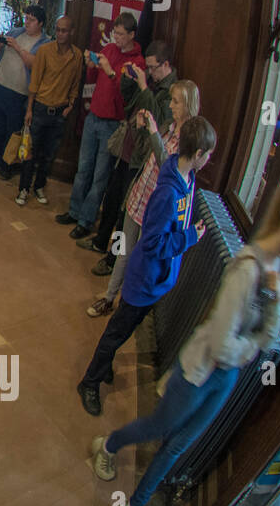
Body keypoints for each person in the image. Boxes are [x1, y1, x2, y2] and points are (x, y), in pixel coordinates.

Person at [91, 183, 280, 506]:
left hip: (224, 379)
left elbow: (272, 334)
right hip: (198, 371)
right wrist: (250, 346)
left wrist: (269, 307)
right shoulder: (246, 268)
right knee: (156, 427)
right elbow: (222, 343)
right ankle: (109, 445)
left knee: (179, 446)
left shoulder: (277, 272)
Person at [76, 115, 216, 416]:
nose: (209, 159)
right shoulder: (168, 192)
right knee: (117, 330)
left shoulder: (185, 178)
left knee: (124, 330)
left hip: (157, 278)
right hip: (145, 278)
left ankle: (105, 362)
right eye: (209, 154)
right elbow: (153, 244)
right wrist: (190, 236)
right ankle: (89, 381)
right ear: (199, 154)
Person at [87, 80, 201, 318]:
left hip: (154, 209)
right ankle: (108, 297)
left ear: (189, 104)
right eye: (171, 100)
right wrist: (142, 127)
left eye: (176, 102)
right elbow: (148, 157)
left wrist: (153, 133)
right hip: (137, 196)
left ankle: (126, 307)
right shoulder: (169, 126)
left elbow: (167, 165)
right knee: (121, 248)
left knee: (137, 260)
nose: (171, 106)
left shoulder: (190, 140)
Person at [82, 39, 179, 257]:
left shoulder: (171, 91)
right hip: (128, 151)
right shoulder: (154, 81)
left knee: (125, 213)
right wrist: (127, 80)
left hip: (142, 158)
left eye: (153, 67)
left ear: (166, 64)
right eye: (148, 67)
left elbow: (157, 122)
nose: (150, 72)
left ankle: (113, 259)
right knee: (112, 200)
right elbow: (130, 103)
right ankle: (100, 241)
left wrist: (144, 85)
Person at [57, 11, 146, 238]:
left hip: (113, 124)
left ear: (132, 35)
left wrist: (110, 71)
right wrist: (91, 64)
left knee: (100, 175)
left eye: (120, 34)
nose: (115, 37)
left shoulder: (137, 62)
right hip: (93, 117)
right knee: (83, 168)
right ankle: (75, 211)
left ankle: (86, 220)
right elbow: (94, 79)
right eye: (114, 32)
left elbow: (128, 97)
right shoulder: (108, 50)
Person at [0, 4, 49, 178]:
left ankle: (5, 166)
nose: (27, 22)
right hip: (1, 84)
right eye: (26, 18)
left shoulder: (44, 43)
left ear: (41, 23)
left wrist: (18, 48)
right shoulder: (15, 32)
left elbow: (34, 65)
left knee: (12, 132)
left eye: (32, 20)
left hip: (20, 92)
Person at [16, 15, 82, 206]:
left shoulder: (76, 56)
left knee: (49, 154)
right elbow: (34, 82)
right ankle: (23, 188)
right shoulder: (45, 51)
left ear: (71, 32)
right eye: (58, 29)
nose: (60, 34)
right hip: (40, 108)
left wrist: (70, 104)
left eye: (64, 30)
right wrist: (29, 109)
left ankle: (39, 186)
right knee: (30, 152)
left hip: (59, 111)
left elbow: (76, 83)